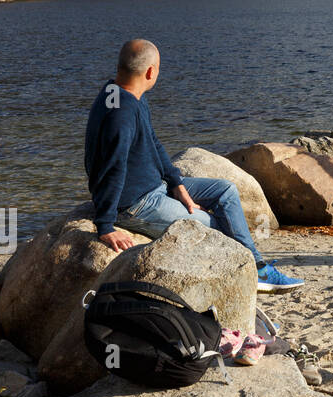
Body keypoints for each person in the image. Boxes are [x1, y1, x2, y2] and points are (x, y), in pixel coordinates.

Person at [84, 38, 303, 292]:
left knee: (226, 191)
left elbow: (153, 143)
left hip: (156, 186)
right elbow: (112, 166)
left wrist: (176, 183)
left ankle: (255, 266)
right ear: (150, 72)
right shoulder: (121, 112)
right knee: (219, 228)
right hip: (137, 203)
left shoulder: (118, 92)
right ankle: (256, 271)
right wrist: (105, 225)